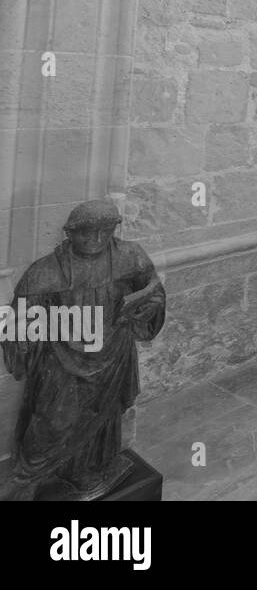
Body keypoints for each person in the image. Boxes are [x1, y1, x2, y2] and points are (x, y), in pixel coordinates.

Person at [0, 199, 165, 500]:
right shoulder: (45, 272)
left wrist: (146, 305)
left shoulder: (131, 255)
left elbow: (153, 289)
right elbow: (20, 319)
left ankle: (85, 471)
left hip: (114, 352)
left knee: (102, 417)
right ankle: (26, 479)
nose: (96, 240)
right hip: (62, 362)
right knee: (52, 421)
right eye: (86, 233)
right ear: (69, 234)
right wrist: (23, 335)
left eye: (104, 232)